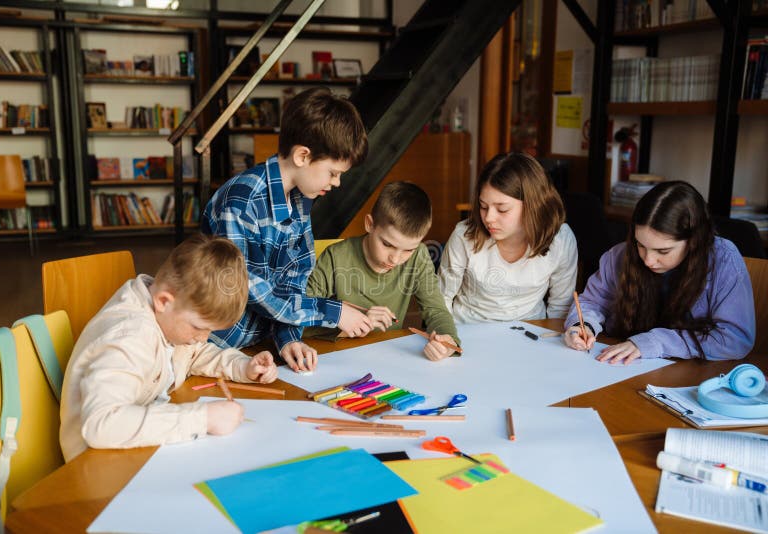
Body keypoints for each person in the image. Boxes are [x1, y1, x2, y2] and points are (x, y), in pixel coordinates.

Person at [60, 234, 278, 462]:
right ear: (163, 301)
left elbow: (194, 355)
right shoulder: (128, 337)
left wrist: (243, 367)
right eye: (198, 328)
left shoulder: (169, 318)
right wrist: (202, 419)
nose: (202, 339)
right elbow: (101, 425)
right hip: (98, 468)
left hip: (132, 449)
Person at [202, 87, 372, 373]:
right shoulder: (241, 200)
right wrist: (333, 311)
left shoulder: (300, 201)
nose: (337, 183)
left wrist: (287, 339)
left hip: (256, 349)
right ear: (303, 156)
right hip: (211, 349)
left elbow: (291, 282)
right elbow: (246, 287)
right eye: (333, 172)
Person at [563, 181, 756, 364]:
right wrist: (583, 325)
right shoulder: (620, 255)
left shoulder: (722, 260)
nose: (648, 260)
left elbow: (735, 339)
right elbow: (591, 302)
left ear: (694, 241)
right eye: (640, 245)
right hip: (625, 368)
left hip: (690, 377)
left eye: (663, 251)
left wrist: (654, 342)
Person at [307, 182, 461, 361]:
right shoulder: (335, 257)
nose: (395, 259)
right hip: (338, 359)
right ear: (369, 224)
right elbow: (297, 319)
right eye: (387, 244)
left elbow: (436, 311)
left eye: (408, 249)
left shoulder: (419, 256)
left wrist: (448, 341)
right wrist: (347, 322)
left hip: (390, 359)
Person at [439, 152, 578, 323]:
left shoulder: (560, 239)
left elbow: (561, 308)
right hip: (469, 331)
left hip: (530, 332)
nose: (489, 218)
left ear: (533, 206)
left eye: (502, 209)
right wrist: (445, 335)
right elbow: (441, 298)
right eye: (483, 206)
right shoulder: (464, 235)